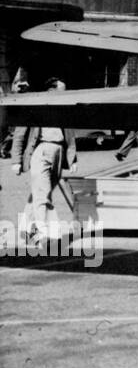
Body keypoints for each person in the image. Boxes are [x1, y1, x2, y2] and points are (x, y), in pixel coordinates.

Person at [11, 78, 77, 245]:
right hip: (41, 152)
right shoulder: (35, 106)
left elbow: (69, 135)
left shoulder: (63, 109)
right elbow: (19, 134)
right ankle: (44, 236)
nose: (66, 93)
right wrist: (16, 160)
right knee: (43, 193)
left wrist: (73, 158)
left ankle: (26, 232)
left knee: (39, 194)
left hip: (58, 153)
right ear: (51, 90)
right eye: (63, 90)